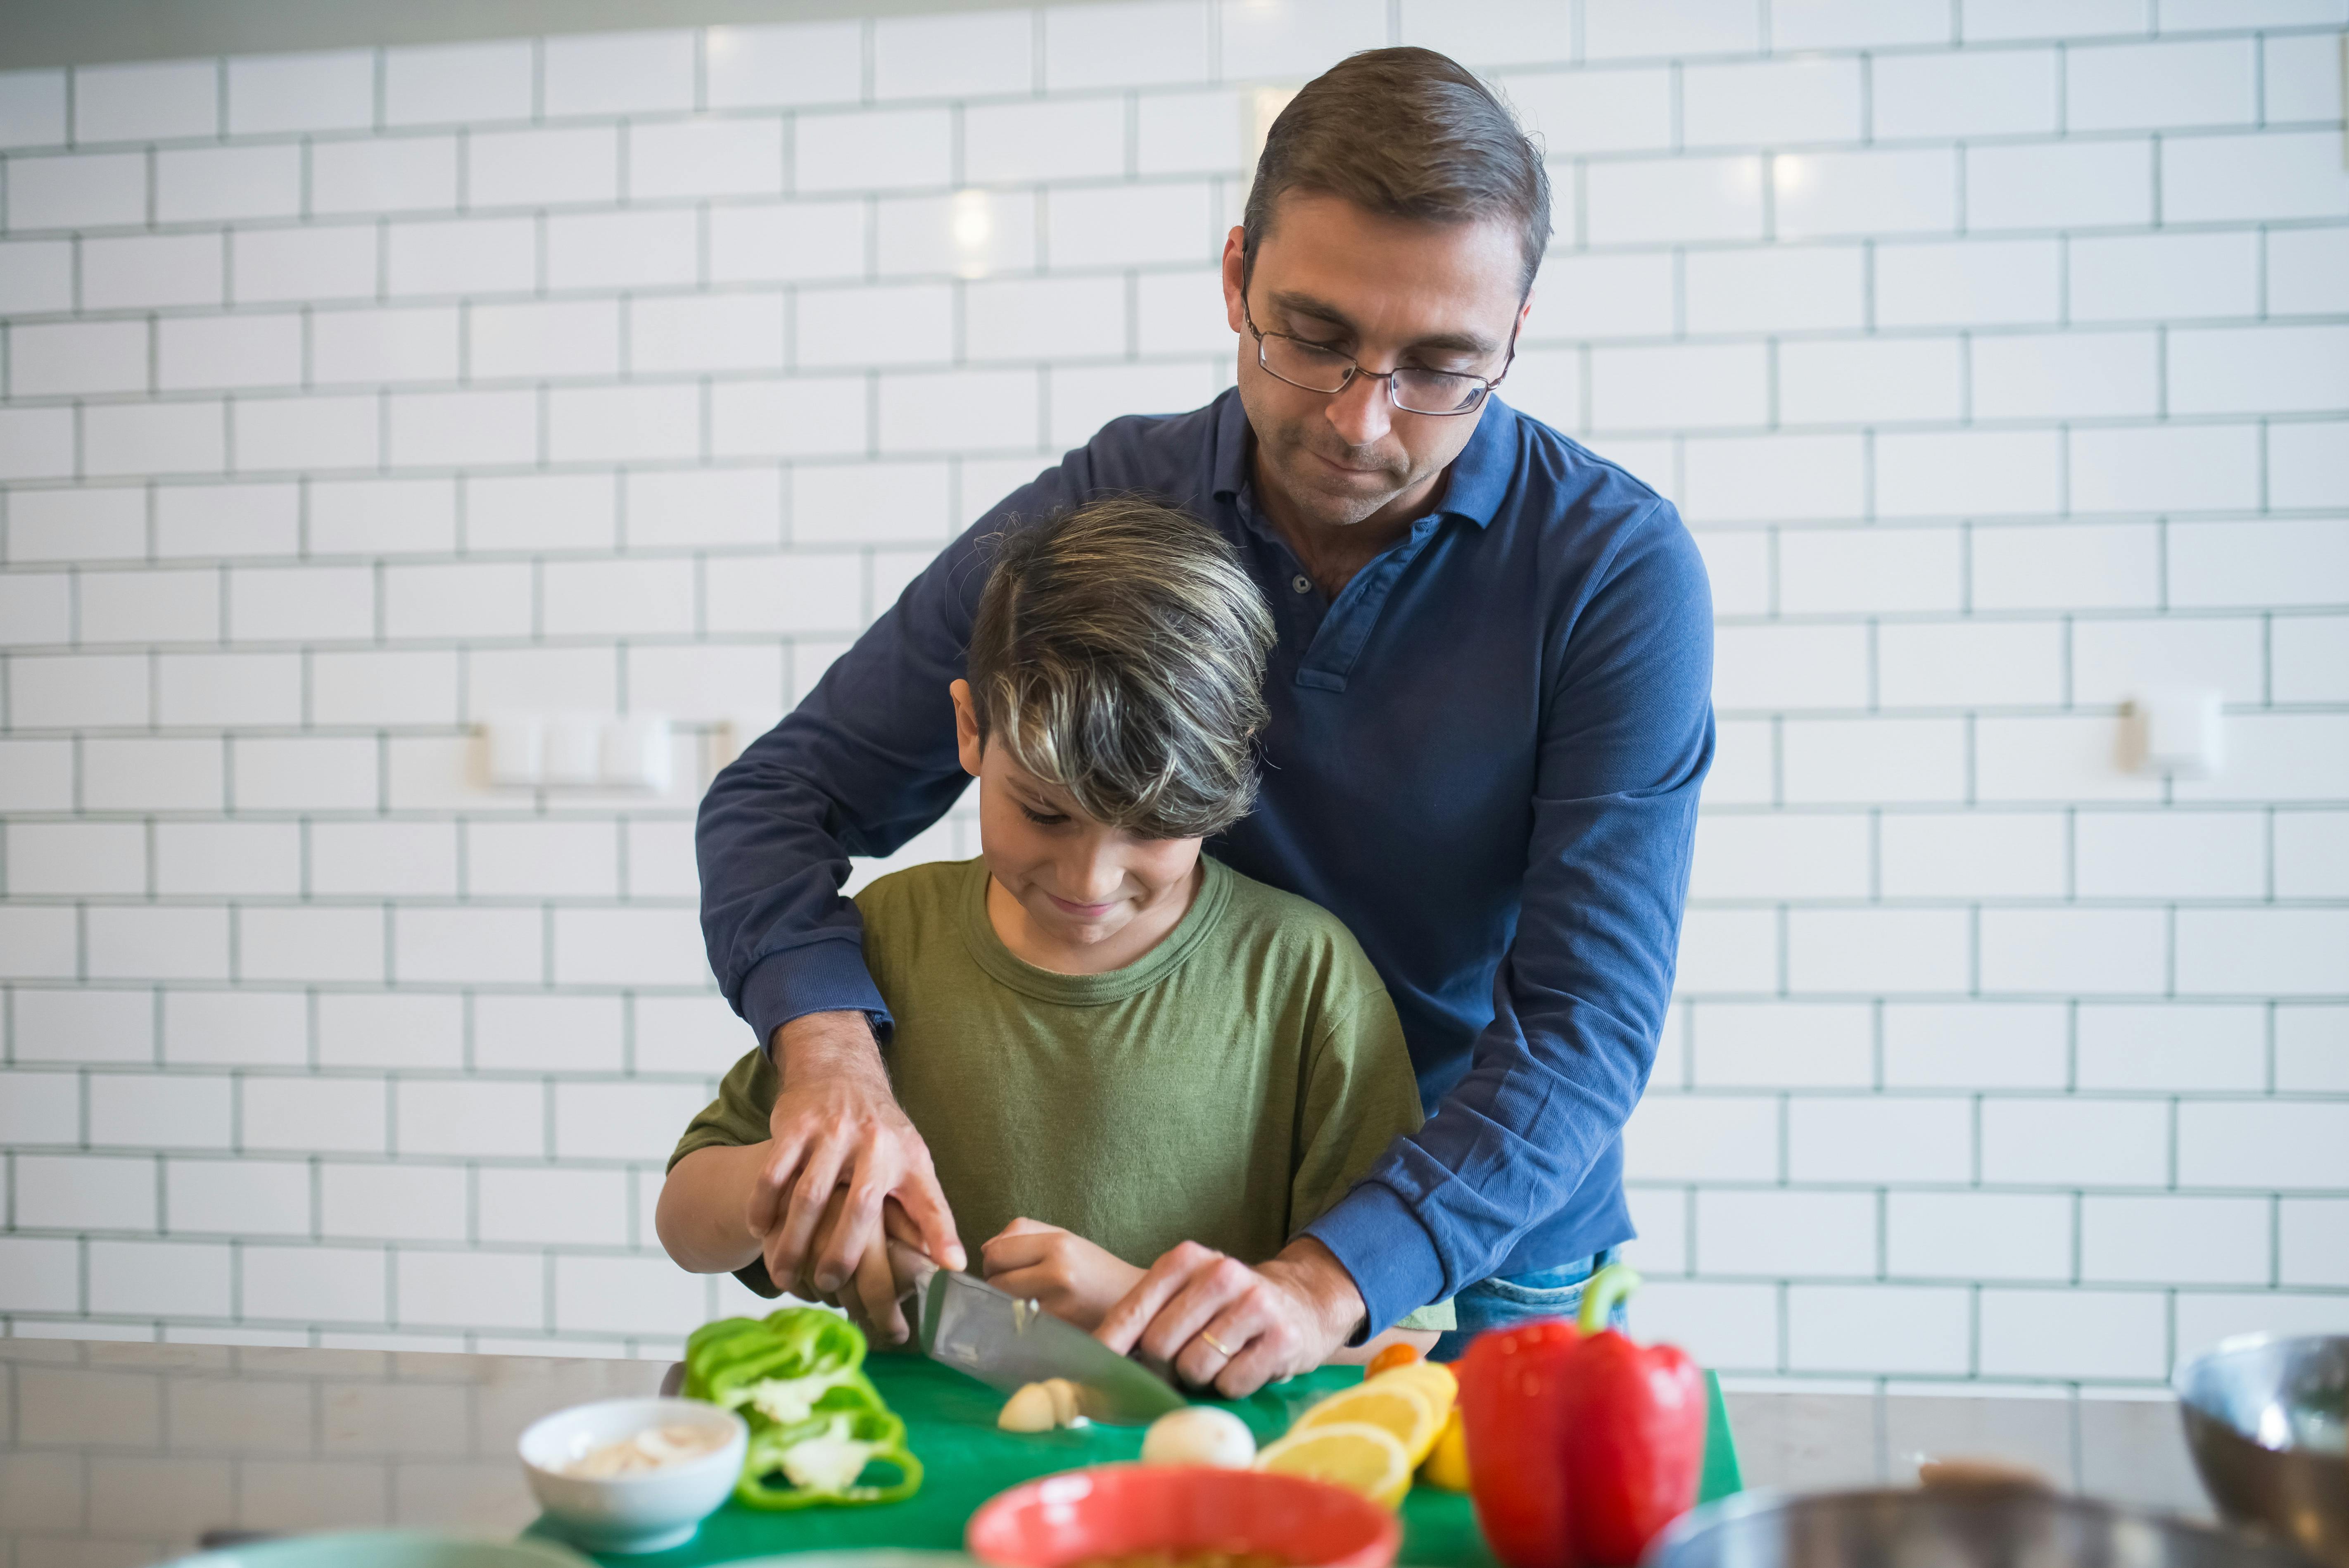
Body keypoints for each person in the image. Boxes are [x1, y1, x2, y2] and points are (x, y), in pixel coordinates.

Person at [696, 46, 1713, 1391]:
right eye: (1314, 336)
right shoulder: (1109, 506)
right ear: (1233, 275)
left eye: (1437, 365)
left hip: (1477, 1235)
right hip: (1185, 1213)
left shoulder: (1609, 569)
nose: (1362, 421)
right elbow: (782, 797)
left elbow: (1583, 1020)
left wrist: (1327, 1277)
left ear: (1514, 334)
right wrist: (829, 1060)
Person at [659, 498, 1450, 1357]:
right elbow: (683, 1220)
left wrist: (1139, 1307)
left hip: (1194, 1479)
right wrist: (788, 1190)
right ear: (970, 729)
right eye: (1044, 813)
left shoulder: (1304, 977)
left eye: (1151, 826)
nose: (1089, 880)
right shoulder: (882, 941)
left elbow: (1387, 1339)